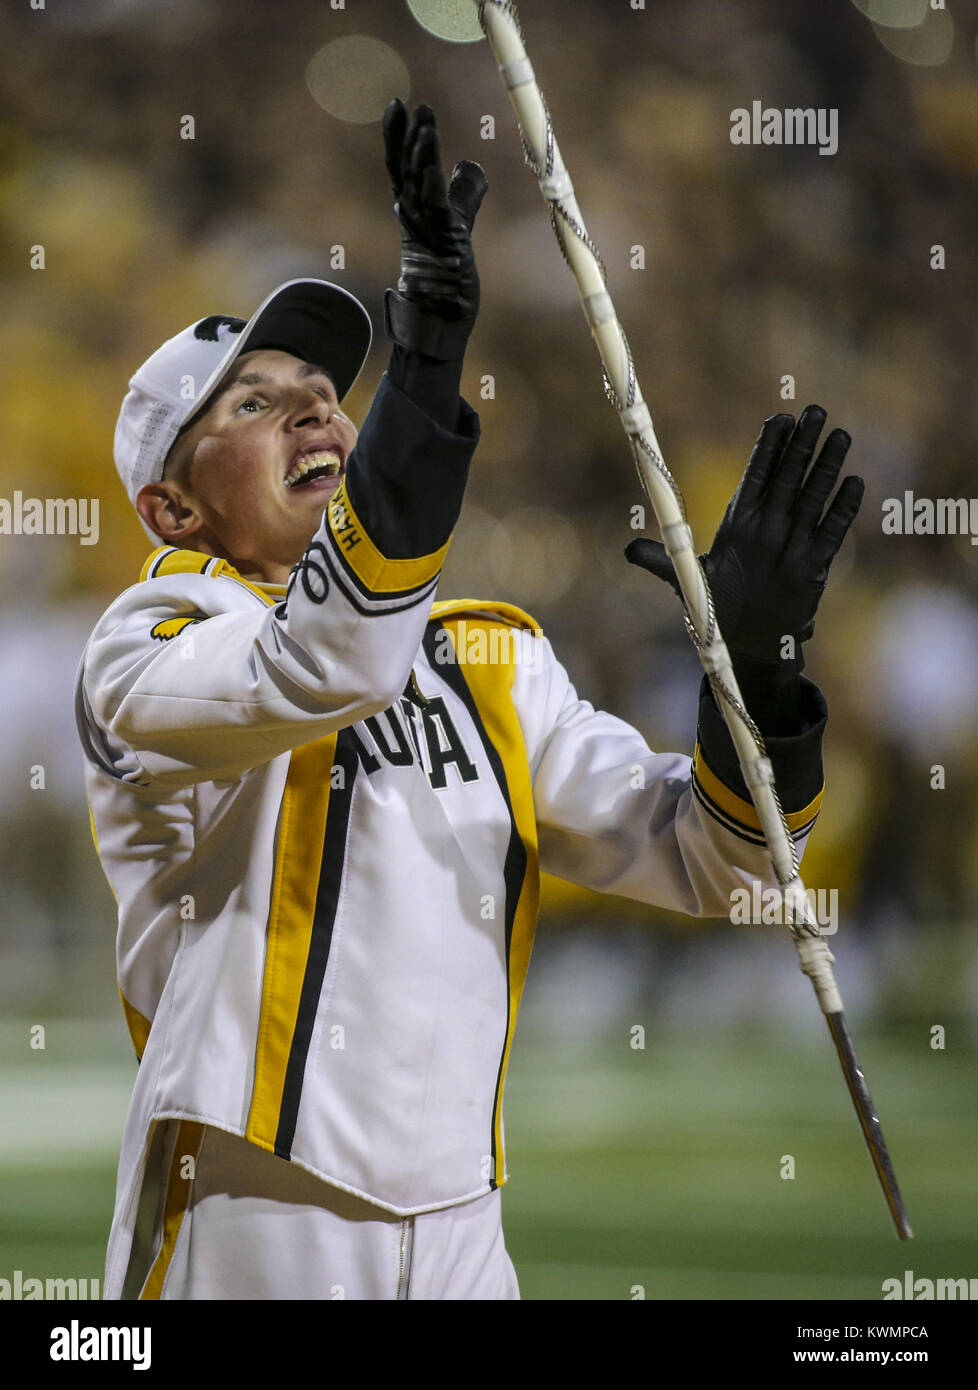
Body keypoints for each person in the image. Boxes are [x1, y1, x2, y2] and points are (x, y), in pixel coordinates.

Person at [75, 100, 862, 1301]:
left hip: (463, 1223)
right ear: (172, 510)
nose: (313, 409)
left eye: (328, 392)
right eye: (249, 403)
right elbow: (324, 665)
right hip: (250, 1199)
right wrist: (424, 382)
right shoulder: (151, 638)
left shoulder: (490, 654)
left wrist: (752, 673)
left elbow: (729, 866)